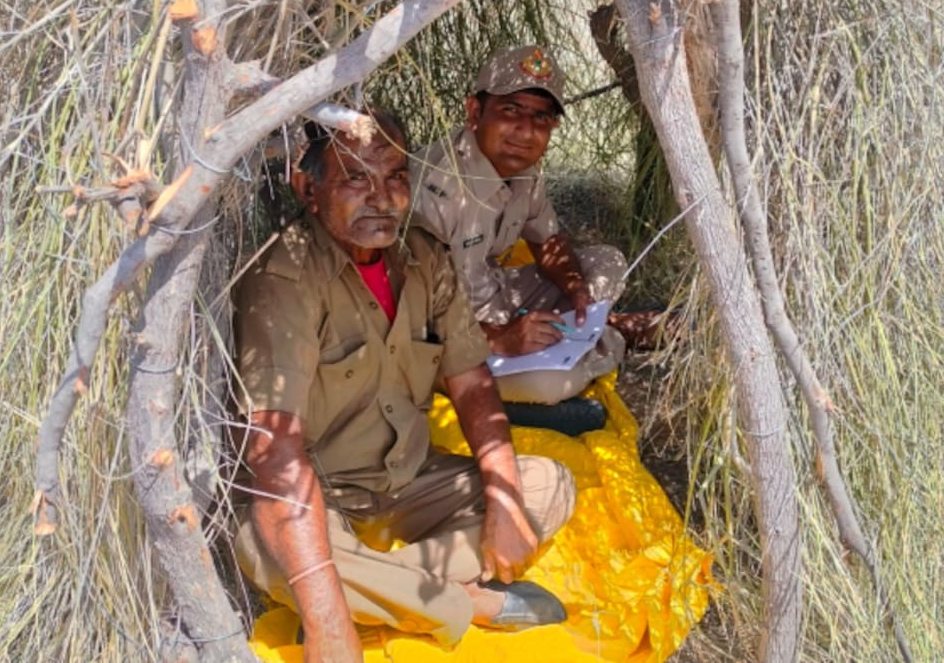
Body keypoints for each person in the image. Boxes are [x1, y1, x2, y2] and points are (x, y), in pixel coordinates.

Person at [232, 110, 575, 661]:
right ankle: (458, 602)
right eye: (355, 178)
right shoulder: (286, 280)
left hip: (412, 480)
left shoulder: (423, 257)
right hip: (326, 502)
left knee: (547, 487)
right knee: (261, 546)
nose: (382, 197)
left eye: (394, 177)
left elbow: (471, 384)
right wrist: (327, 628)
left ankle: (368, 590)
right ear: (309, 189)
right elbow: (275, 452)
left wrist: (506, 505)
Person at [410, 44, 663, 406]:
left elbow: (548, 242)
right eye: (510, 110)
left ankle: (580, 333)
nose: (525, 131)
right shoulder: (436, 189)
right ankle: (610, 334)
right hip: (444, 336)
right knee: (548, 387)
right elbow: (411, 314)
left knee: (606, 264)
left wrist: (576, 290)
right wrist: (497, 339)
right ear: (474, 111)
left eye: (540, 118)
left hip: (498, 298)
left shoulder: (525, 170)